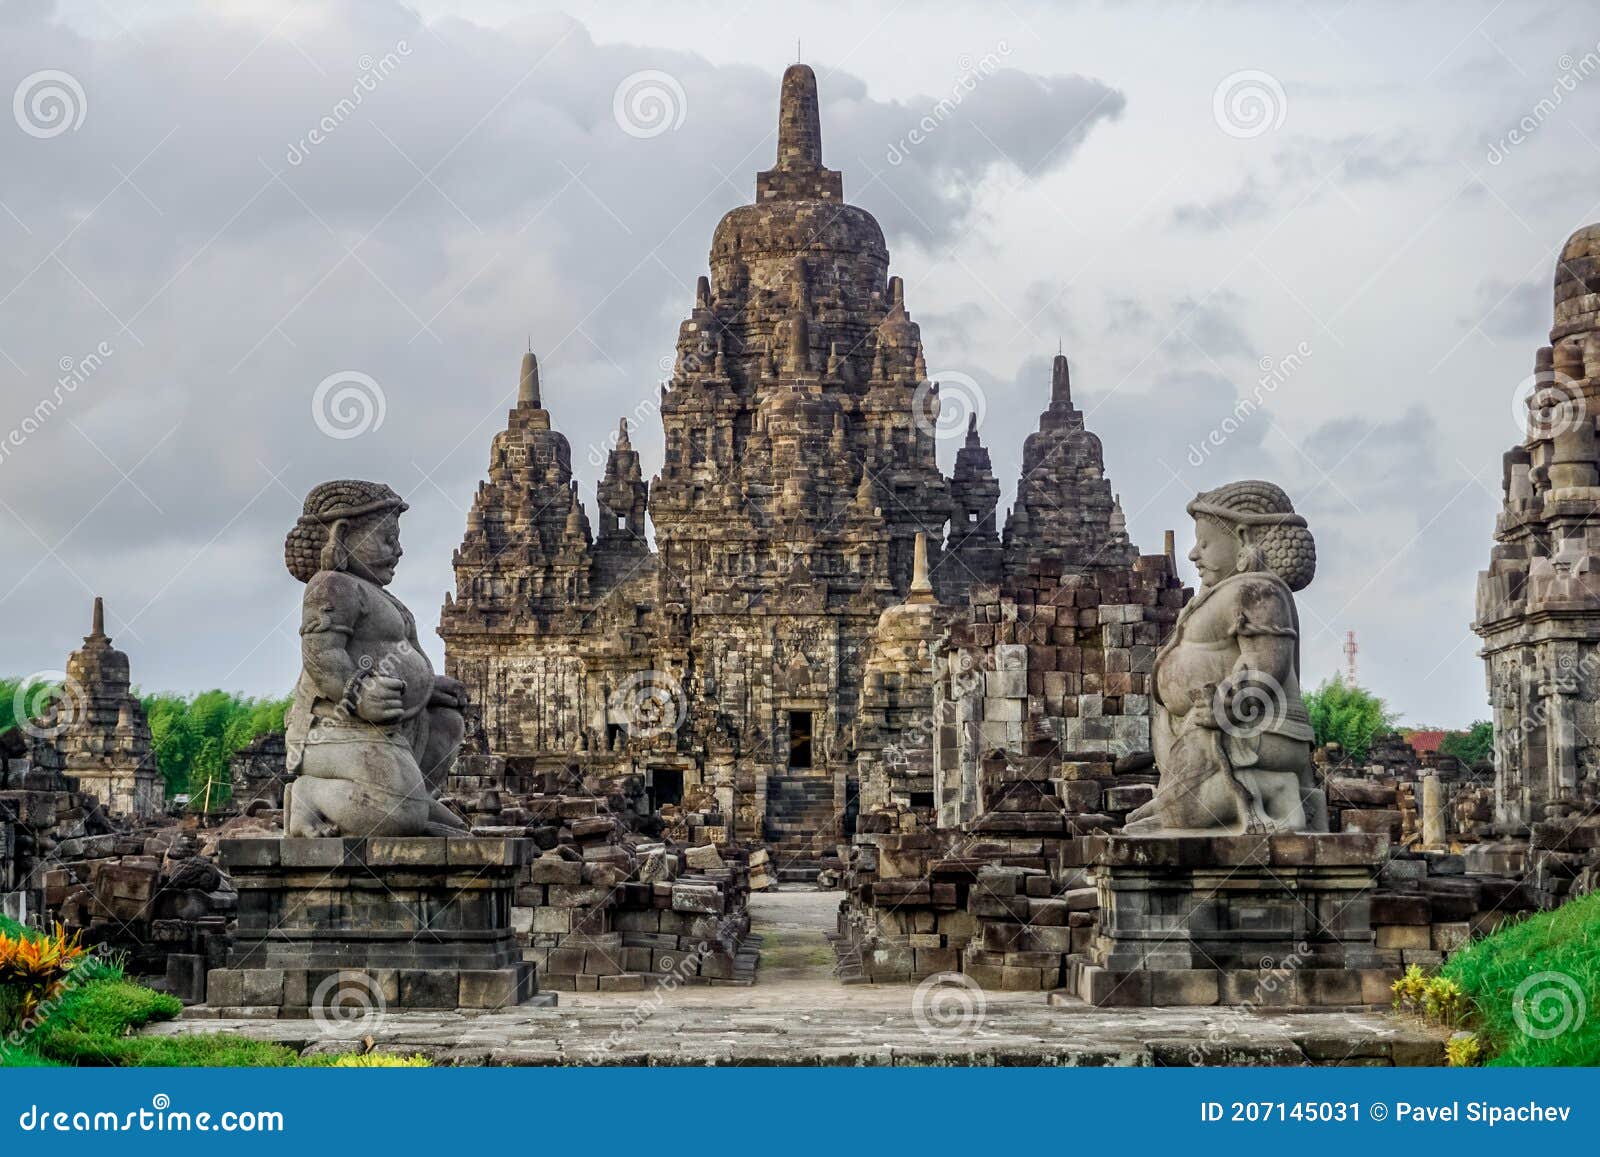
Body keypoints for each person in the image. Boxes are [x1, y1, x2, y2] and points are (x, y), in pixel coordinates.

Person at [1124, 480, 1326, 835]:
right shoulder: (1219, 594)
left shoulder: (1259, 591)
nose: (1193, 555)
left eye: (1204, 543)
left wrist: (1226, 704)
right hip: (1213, 733)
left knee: (1182, 811)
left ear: (1243, 537)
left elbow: (1268, 665)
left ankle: (1278, 793)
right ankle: (1183, 800)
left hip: (1259, 732)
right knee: (1171, 810)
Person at [282, 480, 469, 837]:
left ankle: (415, 800)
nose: (397, 550)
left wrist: (429, 687)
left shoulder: (377, 594)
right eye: (387, 539)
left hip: (393, 729)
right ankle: (312, 793)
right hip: (335, 728)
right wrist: (358, 693)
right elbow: (321, 655)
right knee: (397, 817)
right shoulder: (330, 584)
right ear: (342, 534)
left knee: (447, 719)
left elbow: (399, 651)